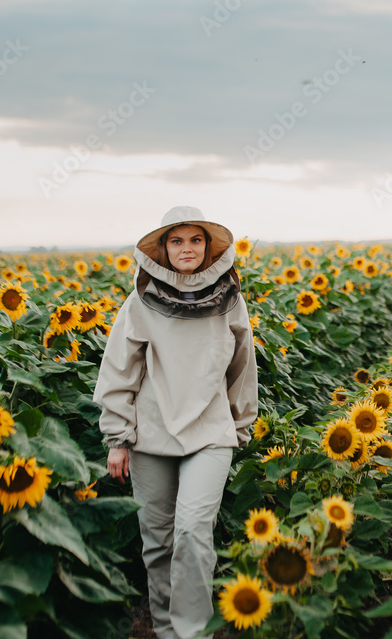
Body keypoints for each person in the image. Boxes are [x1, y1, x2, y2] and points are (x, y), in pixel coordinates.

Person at [93, 205, 257, 639]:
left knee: (192, 532)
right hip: (151, 432)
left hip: (211, 431)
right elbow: (119, 369)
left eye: (196, 239)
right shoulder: (140, 301)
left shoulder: (230, 301)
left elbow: (243, 368)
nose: (187, 248)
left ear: (209, 247)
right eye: (177, 240)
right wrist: (117, 437)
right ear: (163, 249)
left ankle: (192, 632)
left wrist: (240, 426)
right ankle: (166, 629)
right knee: (159, 540)